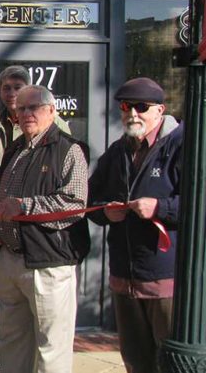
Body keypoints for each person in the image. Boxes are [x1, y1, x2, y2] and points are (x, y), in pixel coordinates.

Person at [0, 85, 90, 373]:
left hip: (48, 263)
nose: (27, 113)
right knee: (11, 343)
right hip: (10, 258)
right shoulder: (16, 149)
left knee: (51, 348)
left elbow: (75, 204)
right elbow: (4, 197)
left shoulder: (69, 150)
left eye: (35, 107)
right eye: (21, 108)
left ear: (52, 111)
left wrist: (25, 206)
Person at [87, 77, 182, 373]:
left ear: (160, 110)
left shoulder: (182, 143)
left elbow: (197, 204)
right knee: (135, 361)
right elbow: (92, 197)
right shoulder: (118, 150)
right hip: (124, 277)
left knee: (170, 360)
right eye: (126, 106)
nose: (132, 114)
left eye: (141, 107)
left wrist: (160, 207)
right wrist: (105, 212)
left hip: (165, 278)